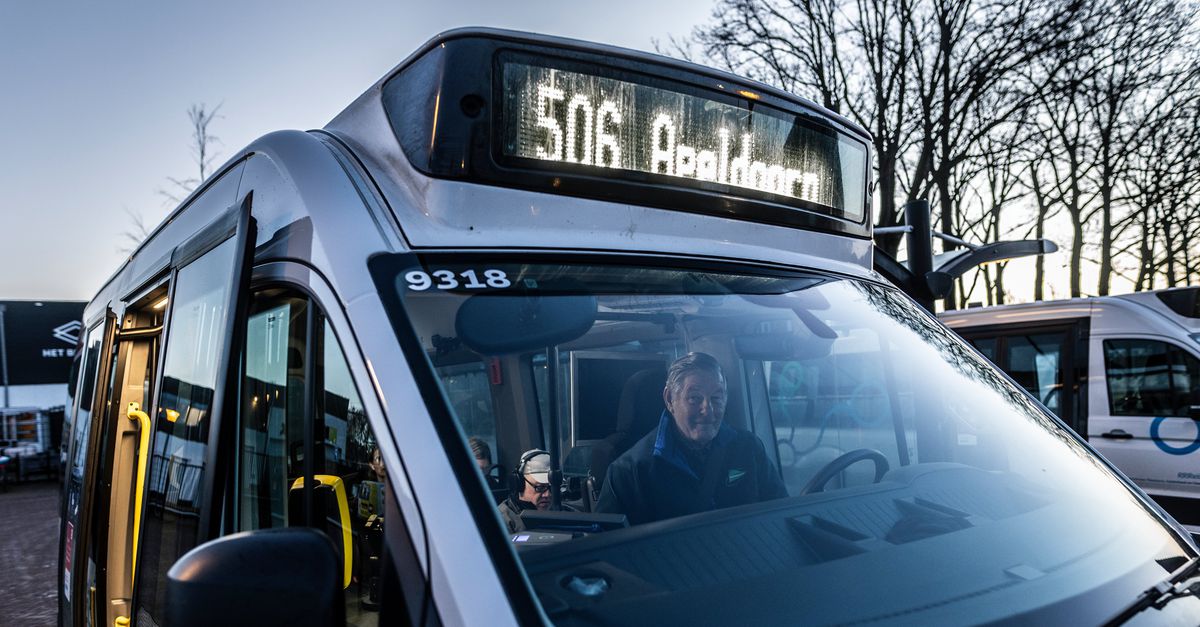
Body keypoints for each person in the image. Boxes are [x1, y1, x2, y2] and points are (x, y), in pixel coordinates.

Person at [596, 352, 787, 525]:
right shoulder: (630, 471)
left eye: (716, 398)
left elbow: (784, 515)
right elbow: (609, 546)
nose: (708, 410)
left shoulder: (749, 448)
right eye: (695, 398)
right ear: (670, 399)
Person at [497, 449, 553, 533]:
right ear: (520, 484)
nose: (547, 494)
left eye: (551, 488)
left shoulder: (565, 511)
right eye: (540, 487)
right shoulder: (501, 520)